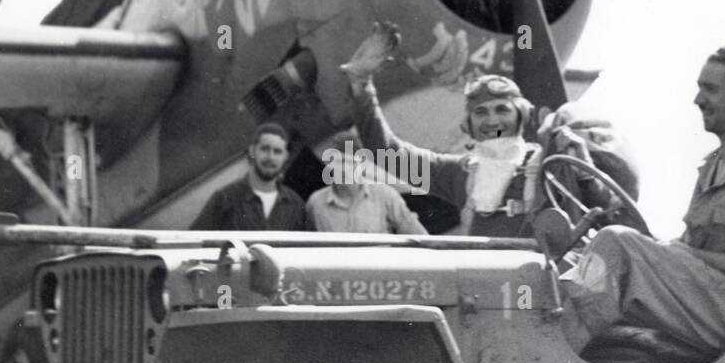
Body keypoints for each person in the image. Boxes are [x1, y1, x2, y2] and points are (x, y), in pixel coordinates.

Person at [560, 42, 725, 360]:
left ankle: (553, 359)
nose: (698, 100)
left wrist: (693, 256)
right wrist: (671, 249)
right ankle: (561, 343)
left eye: (710, 90)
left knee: (616, 244)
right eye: (699, 89)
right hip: (704, 300)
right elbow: (689, 250)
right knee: (571, 260)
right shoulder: (712, 166)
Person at [341, 24, 544, 236]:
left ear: (522, 115)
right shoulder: (460, 173)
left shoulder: (547, 166)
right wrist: (361, 84)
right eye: (481, 113)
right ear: (469, 125)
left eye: (502, 110)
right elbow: (388, 153)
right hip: (480, 268)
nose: (492, 121)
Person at [190, 122, 306, 231]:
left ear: (286, 157)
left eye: (277, 151)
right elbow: (194, 243)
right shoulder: (225, 198)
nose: (271, 157)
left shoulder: (296, 205)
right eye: (265, 149)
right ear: (252, 151)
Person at [306, 137, 427, 234]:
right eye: (339, 162)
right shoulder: (315, 204)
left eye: (351, 163)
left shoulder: (384, 194)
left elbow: (416, 233)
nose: (344, 169)